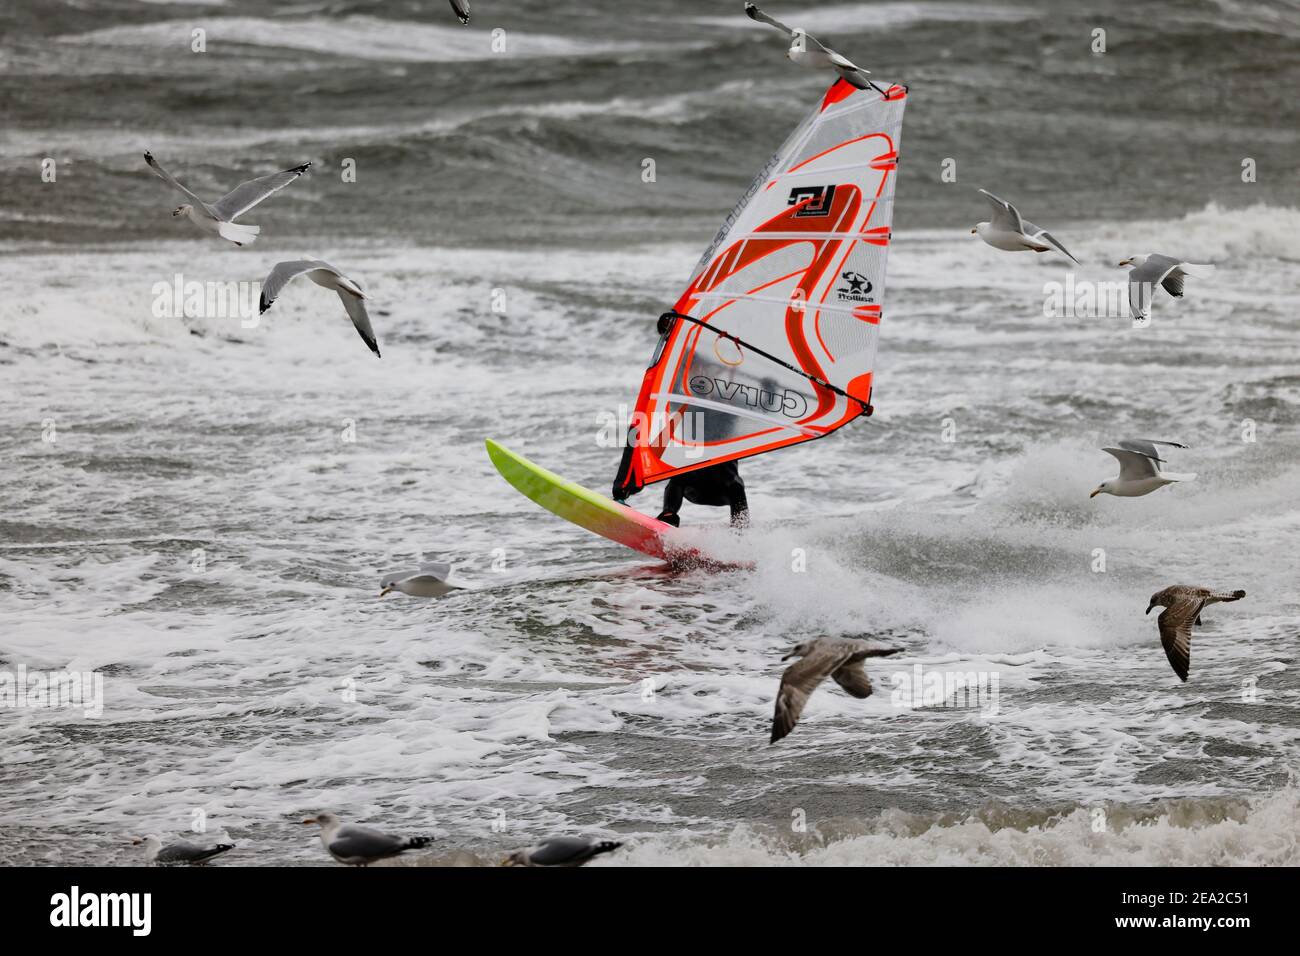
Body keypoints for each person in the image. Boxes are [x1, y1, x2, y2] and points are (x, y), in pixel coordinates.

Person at [656, 460, 749, 529]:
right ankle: (668, 516)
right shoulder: (690, 436)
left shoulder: (729, 436)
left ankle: (740, 529)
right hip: (695, 489)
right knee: (678, 476)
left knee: (736, 485)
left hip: (723, 489)